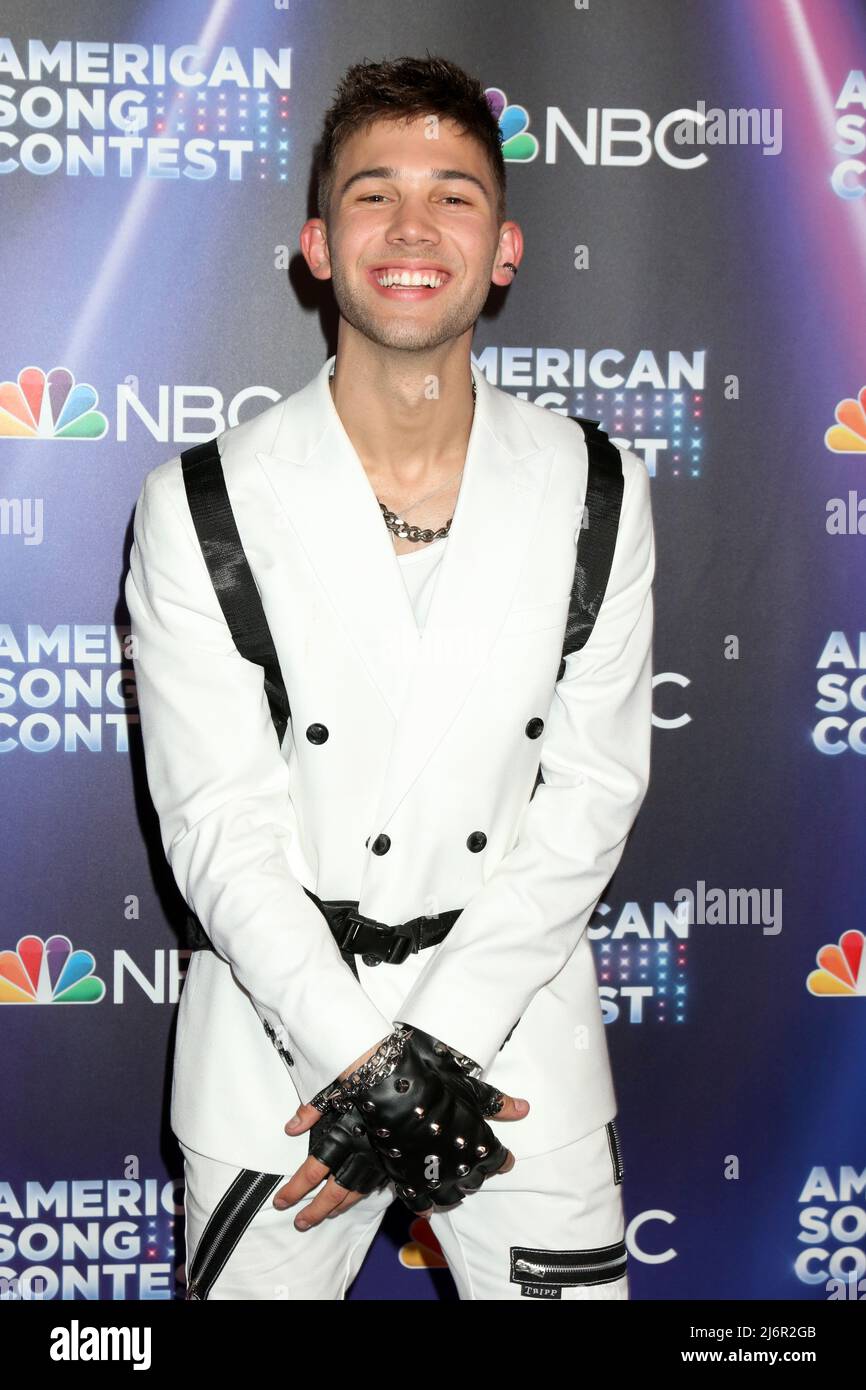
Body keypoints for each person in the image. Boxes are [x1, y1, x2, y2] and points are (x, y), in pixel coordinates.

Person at [124, 53, 655, 1301]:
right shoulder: (201, 501)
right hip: (278, 1066)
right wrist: (363, 1062)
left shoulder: (596, 486)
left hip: (519, 1050)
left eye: (453, 195)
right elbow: (216, 827)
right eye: (373, 194)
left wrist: (440, 1048)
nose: (412, 227)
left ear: (505, 248)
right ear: (317, 244)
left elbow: (590, 791)